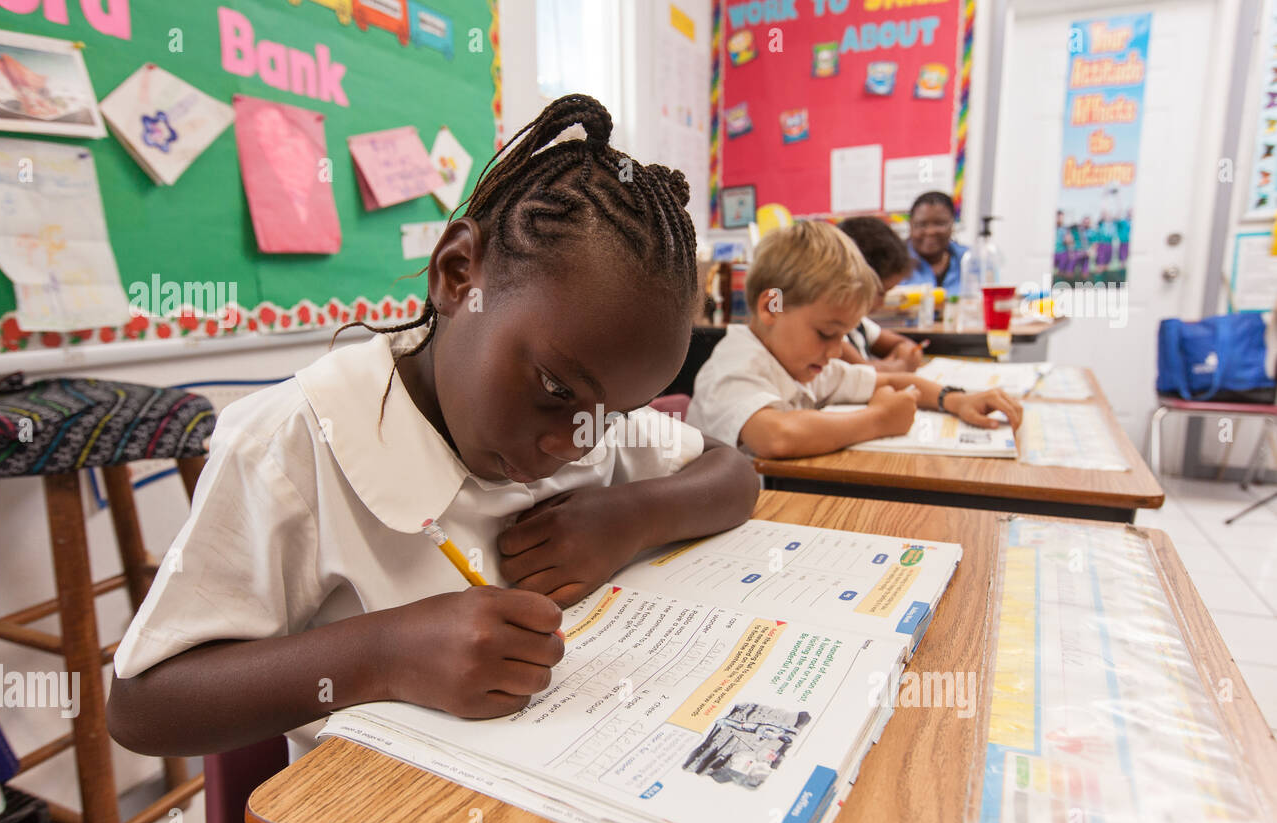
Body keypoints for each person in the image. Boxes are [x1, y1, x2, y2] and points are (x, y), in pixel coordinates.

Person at [106, 95, 760, 760]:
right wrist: (384, 654)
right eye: (554, 390)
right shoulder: (292, 446)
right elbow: (143, 707)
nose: (573, 447)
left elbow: (736, 474)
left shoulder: (590, 415)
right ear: (456, 275)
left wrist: (633, 517)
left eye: (611, 416)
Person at [686, 220, 1022, 459]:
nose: (835, 351)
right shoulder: (736, 365)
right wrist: (878, 421)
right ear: (772, 306)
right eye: (826, 333)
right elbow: (777, 437)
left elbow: (891, 379)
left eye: (843, 335)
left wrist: (956, 399)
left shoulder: (803, 365)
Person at [837, 216, 926, 372]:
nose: (882, 303)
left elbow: (906, 347)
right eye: (880, 293)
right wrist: (900, 365)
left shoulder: (858, 323)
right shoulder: (830, 331)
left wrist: (899, 360)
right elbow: (863, 373)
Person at [906, 191, 968, 295]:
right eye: (922, 224)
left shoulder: (969, 260)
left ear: (952, 223)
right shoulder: (892, 263)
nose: (930, 232)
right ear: (911, 225)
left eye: (939, 223)